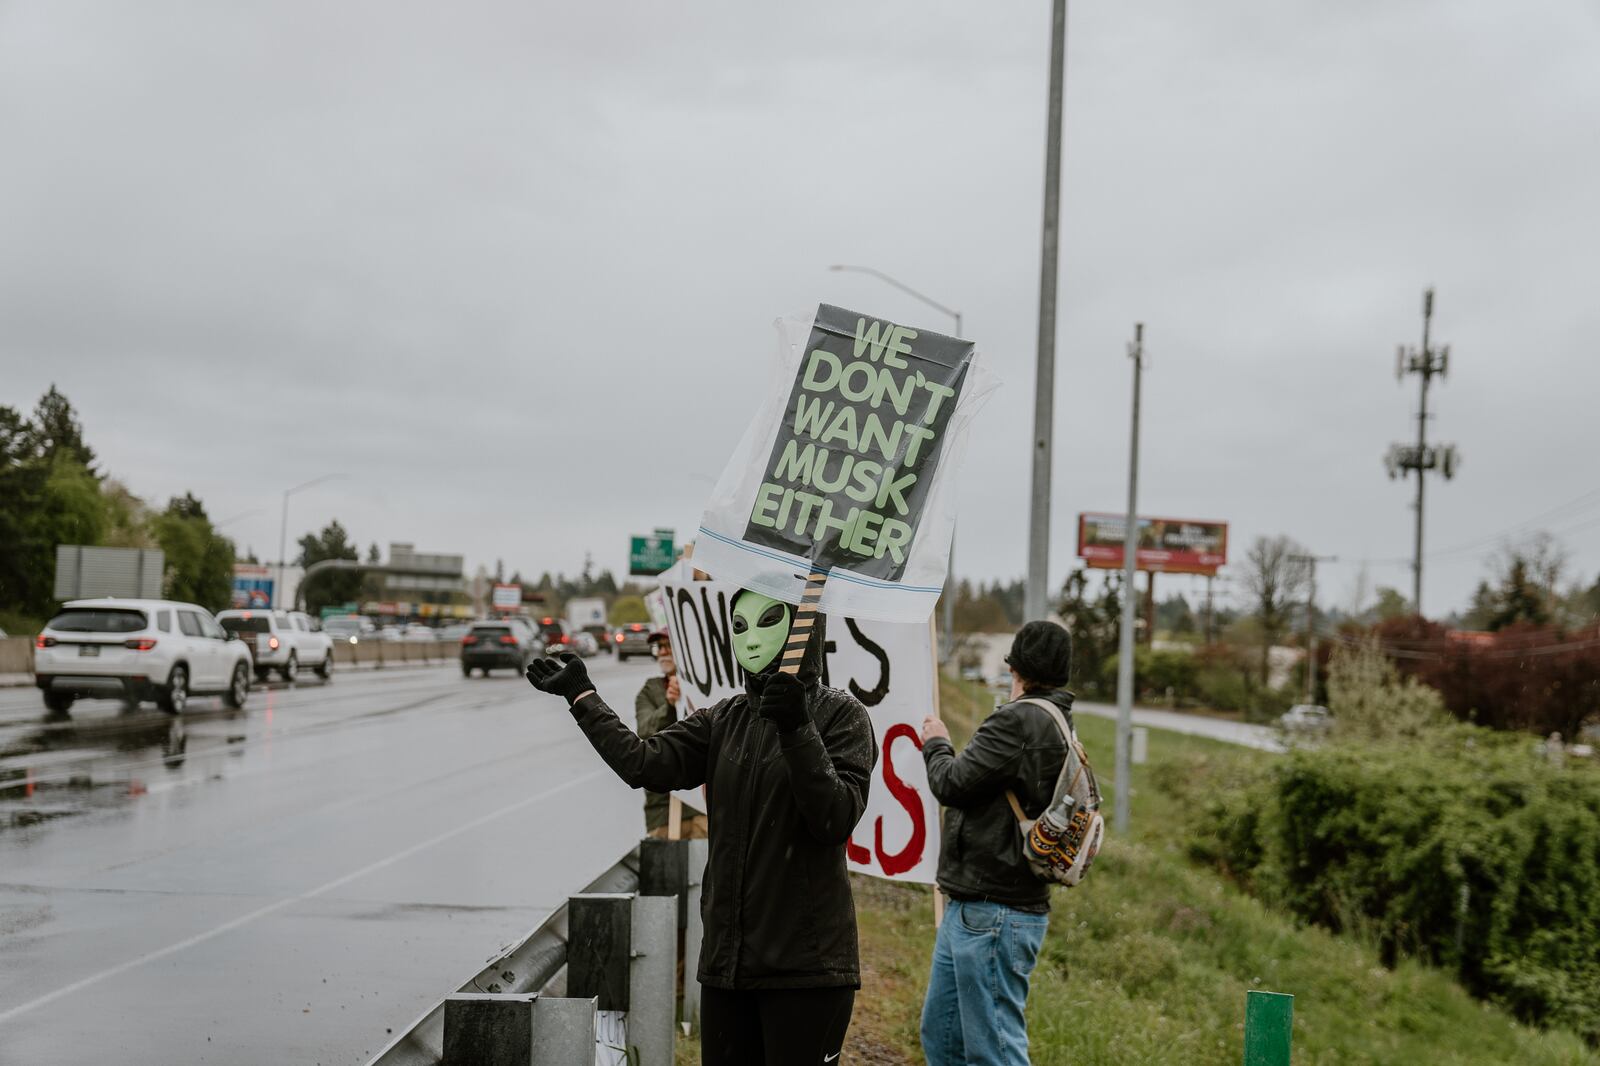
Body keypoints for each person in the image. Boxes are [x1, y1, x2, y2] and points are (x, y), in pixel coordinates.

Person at [526, 589, 877, 1066]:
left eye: (768, 619)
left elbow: (834, 818)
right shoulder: (725, 718)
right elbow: (643, 764)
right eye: (738, 624)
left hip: (806, 972)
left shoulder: (842, 716)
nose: (750, 637)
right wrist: (581, 695)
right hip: (726, 969)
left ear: (804, 629)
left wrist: (797, 728)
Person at [917, 619, 1074, 1066]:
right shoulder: (1058, 721)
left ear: (1016, 668)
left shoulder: (1019, 721)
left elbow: (951, 784)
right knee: (944, 1036)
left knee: (994, 1050)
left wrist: (937, 744)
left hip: (994, 912)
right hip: (984, 907)